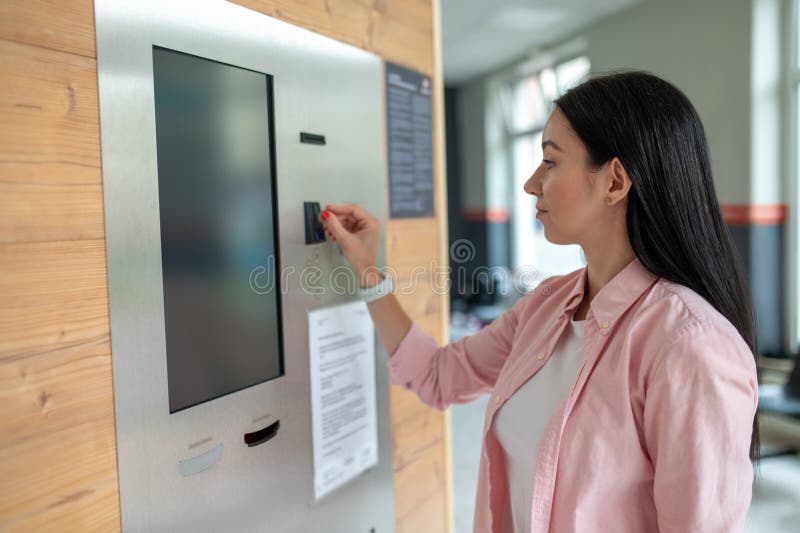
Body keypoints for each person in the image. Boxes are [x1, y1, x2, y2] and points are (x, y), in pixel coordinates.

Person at [322, 71, 759, 533]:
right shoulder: (547, 306)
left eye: (550, 162)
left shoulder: (689, 345)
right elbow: (437, 376)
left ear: (614, 182)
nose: (531, 184)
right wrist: (367, 270)